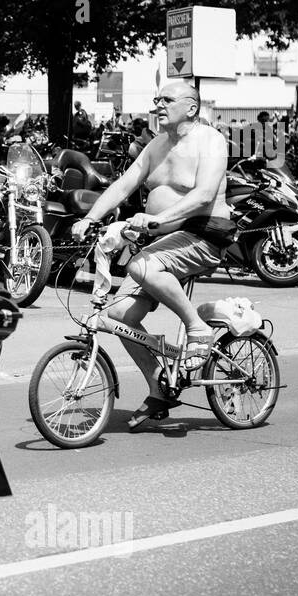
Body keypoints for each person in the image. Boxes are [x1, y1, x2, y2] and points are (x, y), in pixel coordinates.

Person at [71, 80, 232, 430]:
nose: (158, 105)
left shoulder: (211, 141)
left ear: (191, 107)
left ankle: (197, 328)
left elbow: (204, 195)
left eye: (167, 100)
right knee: (117, 316)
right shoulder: (157, 145)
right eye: (156, 98)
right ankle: (160, 384)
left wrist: (158, 218)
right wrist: (90, 218)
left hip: (203, 233)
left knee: (142, 264)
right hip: (163, 241)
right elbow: (124, 184)